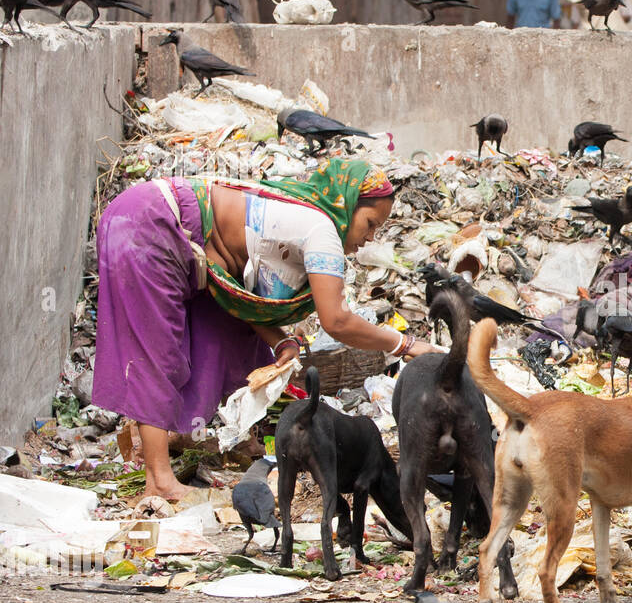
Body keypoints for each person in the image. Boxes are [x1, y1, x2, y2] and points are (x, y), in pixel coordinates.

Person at [92, 160, 438, 501]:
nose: (370, 237)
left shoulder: (302, 216)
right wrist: (405, 344)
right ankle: (160, 480)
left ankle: (168, 442)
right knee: (158, 350)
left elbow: (240, 301)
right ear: (346, 203)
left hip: (150, 218)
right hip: (152, 225)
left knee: (231, 337)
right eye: (370, 223)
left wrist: (280, 340)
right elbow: (337, 321)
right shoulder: (321, 230)